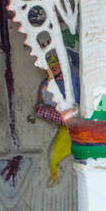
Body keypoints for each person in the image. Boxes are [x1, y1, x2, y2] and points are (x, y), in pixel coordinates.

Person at [41, 50, 80, 186]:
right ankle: (55, 173)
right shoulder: (48, 83)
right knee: (55, 154)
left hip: (83, 119)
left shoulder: (75, 75)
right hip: (68, 123)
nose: (52, 68)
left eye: (55, 64)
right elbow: (45, 100)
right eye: (49, 66)